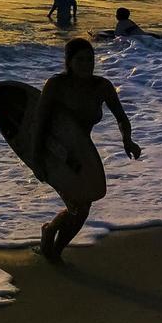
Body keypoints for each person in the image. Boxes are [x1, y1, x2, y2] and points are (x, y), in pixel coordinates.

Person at [31, 38, 143, 263]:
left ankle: (52, 239)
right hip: (55, 152)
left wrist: (127, 140)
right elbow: (39, 123)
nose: (86, 64)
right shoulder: (56, 85)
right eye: (80, 60)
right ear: (69, 62)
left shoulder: (102, 86)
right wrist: (36, 160)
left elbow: (121, 118)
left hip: (81, 153)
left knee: (82, 206)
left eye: (90, 59)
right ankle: (53, 248)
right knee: (79, 206)